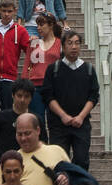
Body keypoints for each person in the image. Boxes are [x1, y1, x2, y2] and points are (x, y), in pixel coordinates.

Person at [42, 29, 100, 170]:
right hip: (58, 125)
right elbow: (48, 96)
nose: (74, 47)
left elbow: (93, 96)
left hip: (81, 124)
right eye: (70, 43)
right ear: (62, 46)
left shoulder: (88, 69)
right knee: (60, 161)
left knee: (82, 159)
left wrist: (80, 117)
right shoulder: (53, 69)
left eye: (77, 43)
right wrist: (63, 116)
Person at [25, 11, 62, 131]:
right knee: (37, 121)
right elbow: (27, 65)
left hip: (54, 86)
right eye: (37, 25)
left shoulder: (60, 43)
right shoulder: (34, 42)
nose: (39, 28)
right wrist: (25, 85)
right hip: (35, 86)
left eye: (42, 24)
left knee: (55, 120)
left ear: (51, 25)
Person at [0, 0, 32, 109]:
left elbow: (30, 51)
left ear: (15, 11)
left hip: (10, 78)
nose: (6, 14)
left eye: (9, 11)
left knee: (7, 111)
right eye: (4, 11)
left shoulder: (20, 31)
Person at [0, 78, 35, 162]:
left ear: (31, 98)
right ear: (12, 95)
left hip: (29, 167)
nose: (22, 100)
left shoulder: (35, 119)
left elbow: (42, 145)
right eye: (19, 95)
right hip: (4, 167)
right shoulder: (1, 117)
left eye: (26, 96)